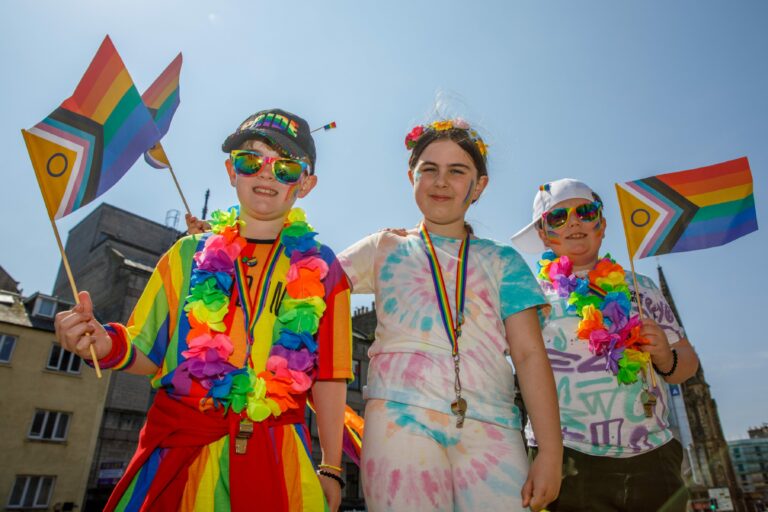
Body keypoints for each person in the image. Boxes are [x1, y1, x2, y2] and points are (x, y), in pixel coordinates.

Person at [55, 108, 352, 512]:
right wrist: (102, 341)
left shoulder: (323, 266)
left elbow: (331, 377)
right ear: (232, 171)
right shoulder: (186, 255)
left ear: (306, 183)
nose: (267, 174)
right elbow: (147, 350)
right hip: (179, 459)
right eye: (252, 160)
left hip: (279, 461)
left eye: (285, 166)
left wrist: (331, 467)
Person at [337, 119, 563, 511]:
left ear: (478, 185)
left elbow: (528, 355)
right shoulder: (384, 246)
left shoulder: (503, 261)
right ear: (412, 177)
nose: (441, 181)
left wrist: (551, 452)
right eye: (429, 169)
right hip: (399, 419)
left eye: (457, 171)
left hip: (493, 426)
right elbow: (307, 280)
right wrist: (219, 244)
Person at [511, 178, 700, 512]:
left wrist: (665, 356)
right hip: (568, 458)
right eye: (558, 218)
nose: (573, 223)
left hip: (654, 456)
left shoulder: (641, 288)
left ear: (602, 224)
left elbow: (686, 365)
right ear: (543, 234)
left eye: (585, 212)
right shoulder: (529, 296)